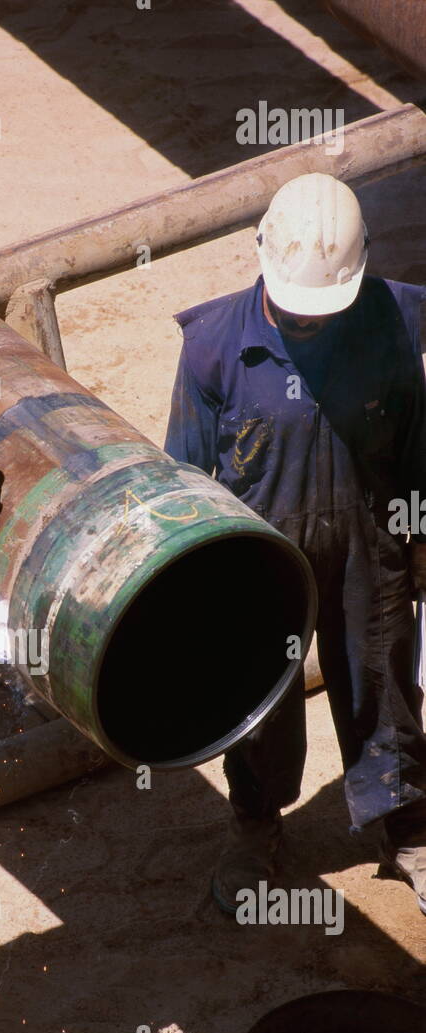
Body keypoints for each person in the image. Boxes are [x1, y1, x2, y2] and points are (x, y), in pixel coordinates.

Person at [164, 172, 426, 916]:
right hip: (259, 560)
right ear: (261, 258)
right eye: (295, 313)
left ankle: (407, 829)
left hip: (367, 549)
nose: (307, 326)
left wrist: (420, 538)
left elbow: (416, 446)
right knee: (260, 699)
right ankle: (255, 826)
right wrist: (196, 577)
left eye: (321, 315)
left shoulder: (397, 322)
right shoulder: (214, 348)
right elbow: (184, 472)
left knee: (383, 686)